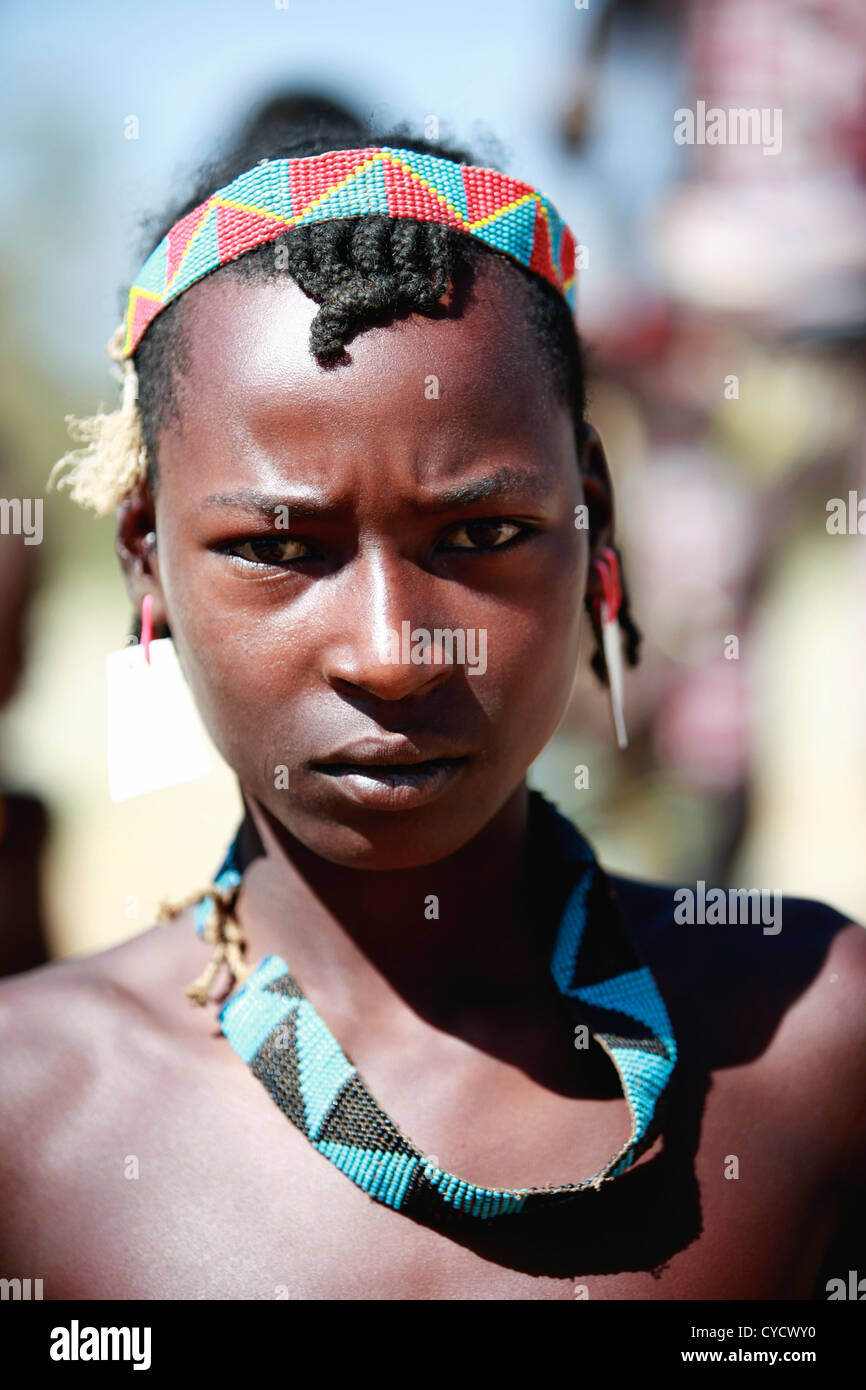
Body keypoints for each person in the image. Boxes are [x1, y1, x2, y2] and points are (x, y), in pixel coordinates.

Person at [1, 102, 863, 1300]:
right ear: (145, 558)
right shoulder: (28, 1108)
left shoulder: (811, 1030)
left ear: (591, 525)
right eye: (280, 549)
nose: (395, 653)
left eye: (481, 532)